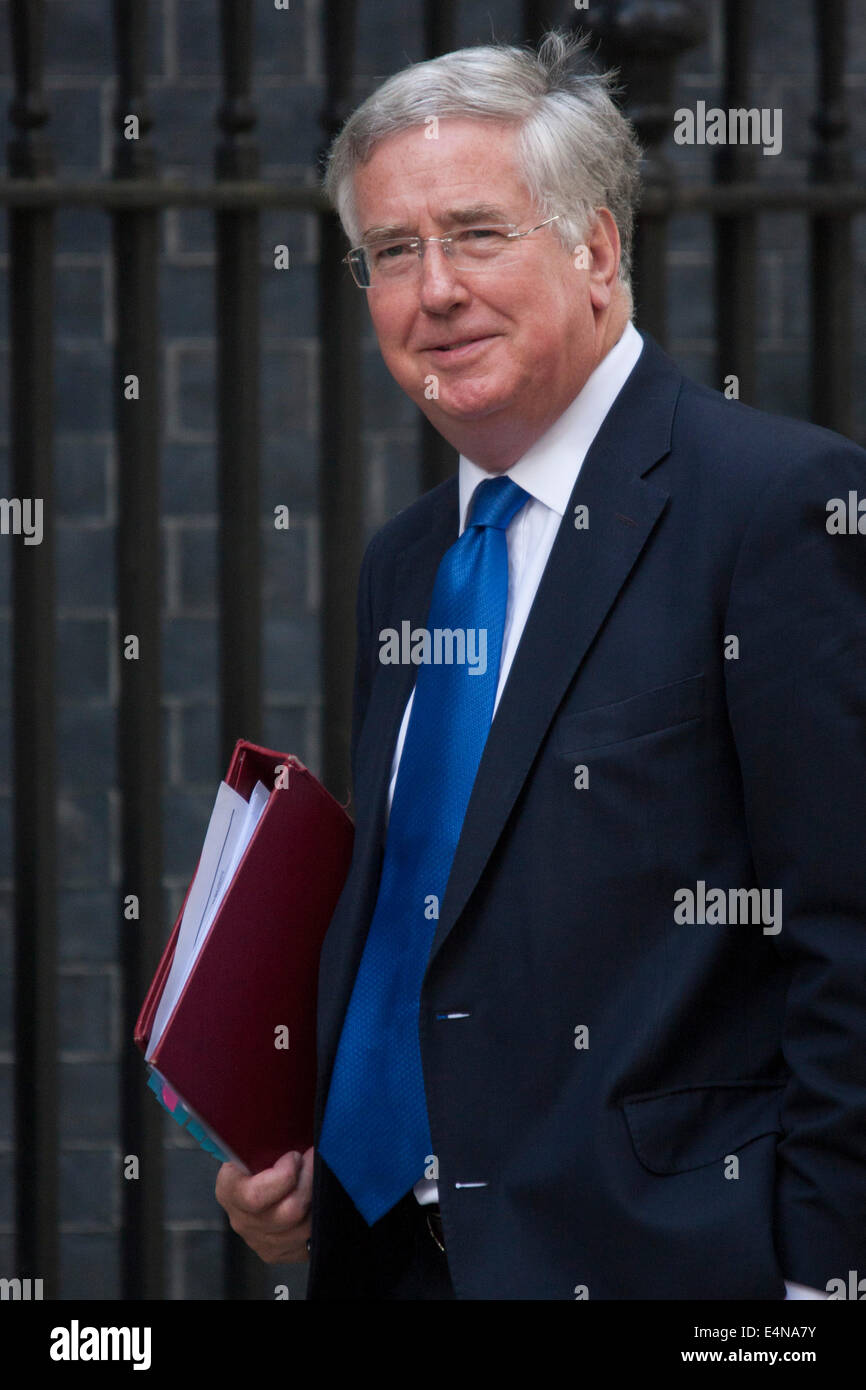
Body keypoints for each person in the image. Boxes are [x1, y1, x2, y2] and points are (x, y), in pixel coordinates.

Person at [215, 30, 866, 1300]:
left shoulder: (775, 505)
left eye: (475, 232)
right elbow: (434, 920)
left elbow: (845, 938)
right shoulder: (411, 561)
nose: (433, 289)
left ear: (598, 251)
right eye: (392, 253)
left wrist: (820, 1288)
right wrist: (296, 1139)